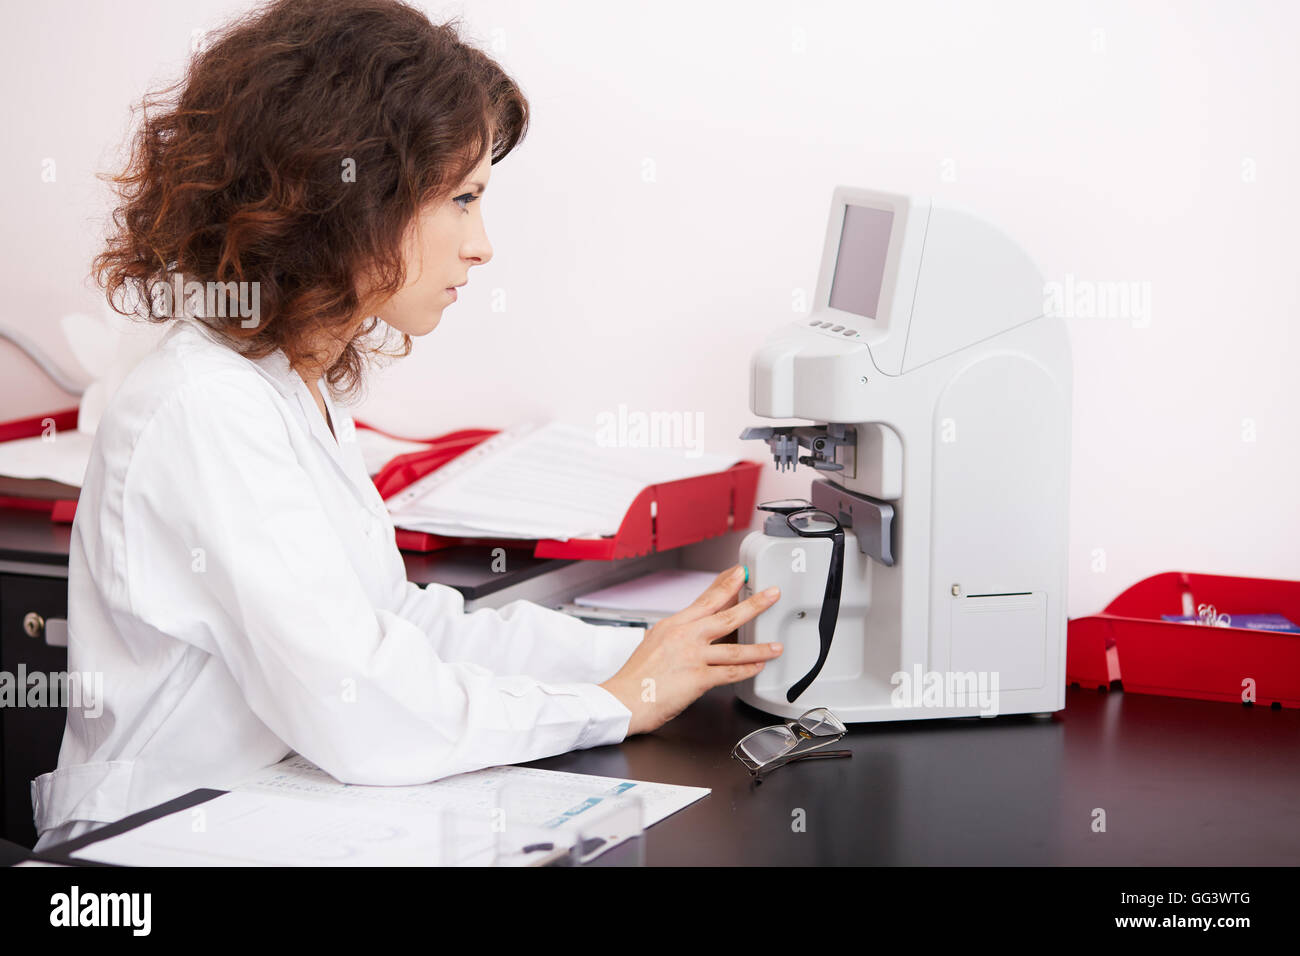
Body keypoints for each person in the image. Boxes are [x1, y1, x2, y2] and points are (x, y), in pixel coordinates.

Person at [30, 0, 782, 852]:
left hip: (275, 811)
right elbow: (359, 705)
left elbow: (396, 627)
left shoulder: (289, 380)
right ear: (345, 198)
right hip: (161, 842)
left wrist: (641, 654)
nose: (482, 245)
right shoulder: (203, 406)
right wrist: (616, 701)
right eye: (462, 199)